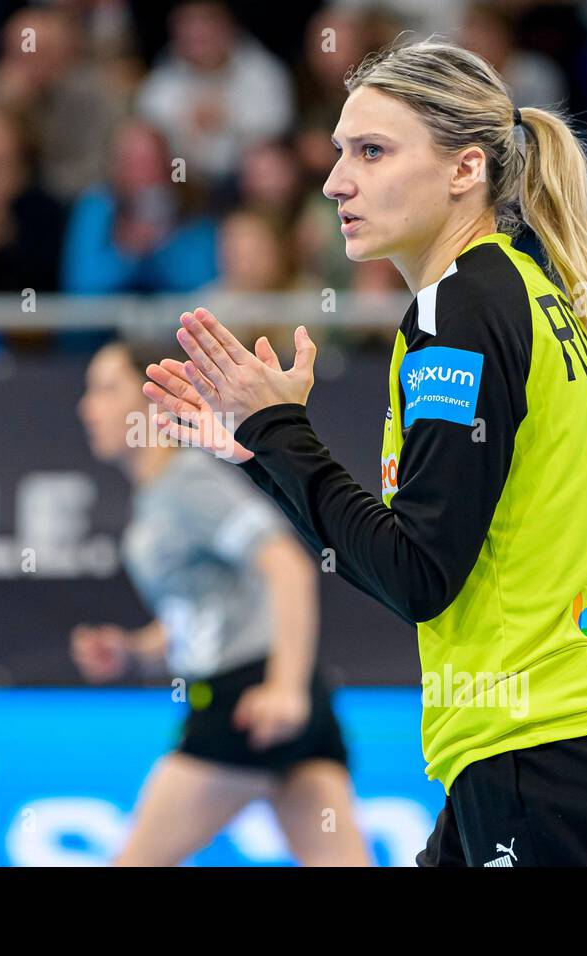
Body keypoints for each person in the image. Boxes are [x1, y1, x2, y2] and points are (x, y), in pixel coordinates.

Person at [143, 37, 587, 867]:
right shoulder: (519, 290)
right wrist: (263, 453)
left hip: (547, 756)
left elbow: (418, 575)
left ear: (464, 168)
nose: (336, 181)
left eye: (371, 150)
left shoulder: (460, 310)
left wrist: (279, 436)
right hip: (564, 754)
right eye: (337, 153)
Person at [72, 340, 371, 867]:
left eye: (105, 389)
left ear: (152, 401)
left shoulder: (189, 482)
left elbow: (288, 566)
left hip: (247, 705)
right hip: (283, 706)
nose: (86, 406)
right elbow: (198, 613)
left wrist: (284, 686)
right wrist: (132, 651)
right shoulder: (159, 497)